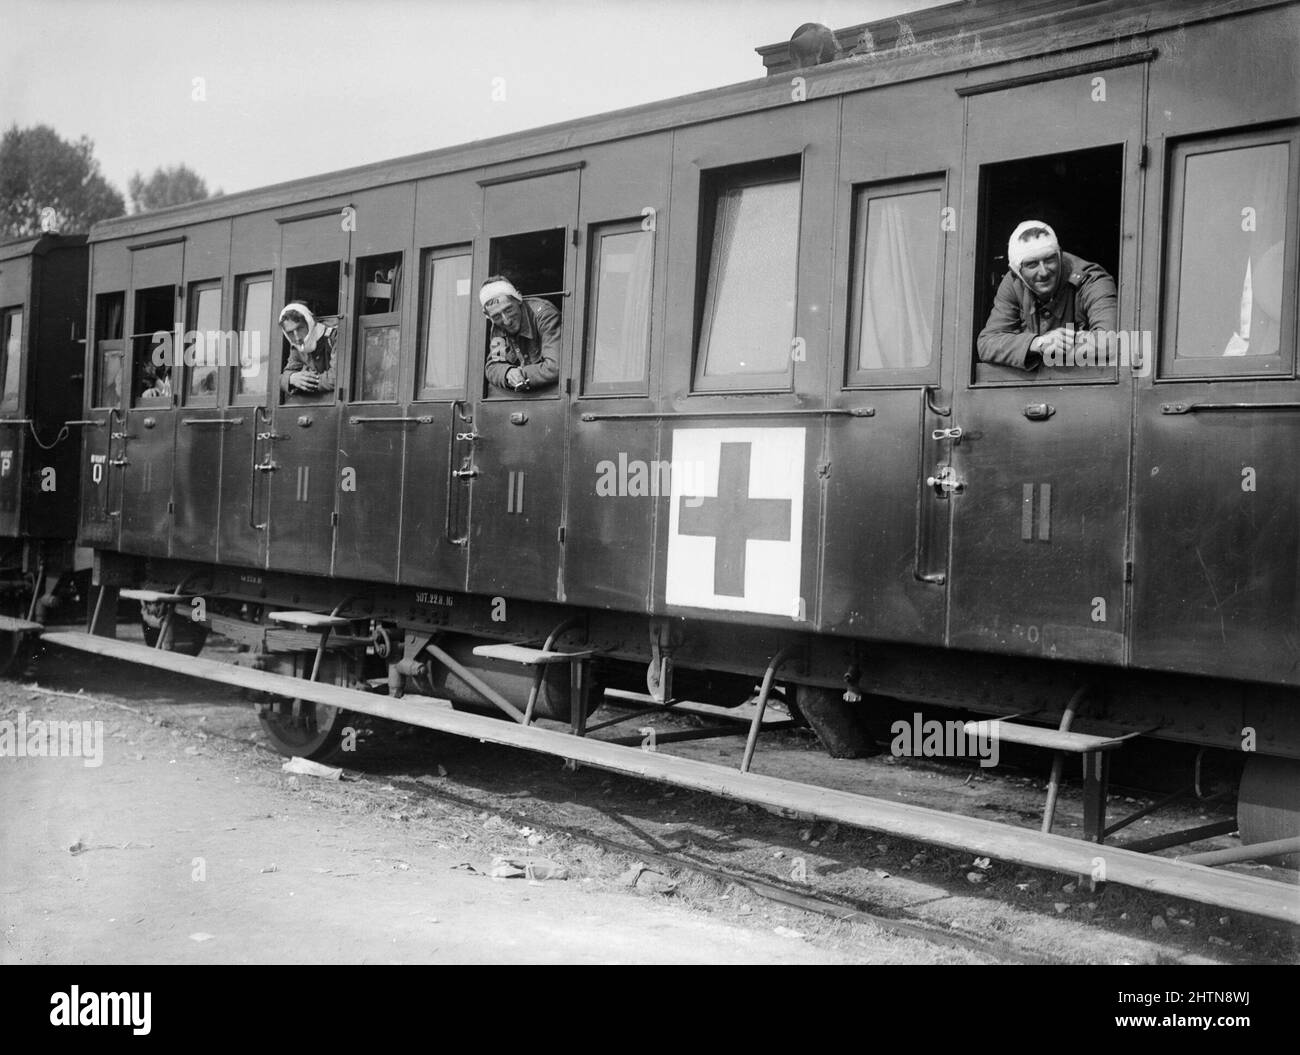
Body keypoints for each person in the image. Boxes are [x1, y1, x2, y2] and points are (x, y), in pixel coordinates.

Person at [977, 220, 1117, 372]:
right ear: (1016, 271)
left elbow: (1110, 341)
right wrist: (1040, 343)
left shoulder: (1091, 280)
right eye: (1032, 264)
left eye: (1050, 259)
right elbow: (988, 342)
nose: (1043, 272)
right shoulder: (1013, 282)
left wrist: (1062, 344)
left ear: (1060, 255)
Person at [480, 276, 560, 392]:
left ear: (518, 299)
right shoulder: (498, 327)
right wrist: (507, 373)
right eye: (497, 316)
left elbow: (555, 367)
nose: (506, 320)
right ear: (488, 315)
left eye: (509, 310)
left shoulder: (545, 316)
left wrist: (520, 374)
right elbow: (494, 365)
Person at [279, 302, 337, 399]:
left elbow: (337, 378)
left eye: (300, 328)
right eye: (290, 332)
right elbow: (284, 376)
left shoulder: (334, 336)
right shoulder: (297, 346)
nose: (297, 337)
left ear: (310, 322)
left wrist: (305, 382)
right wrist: (292, 378)